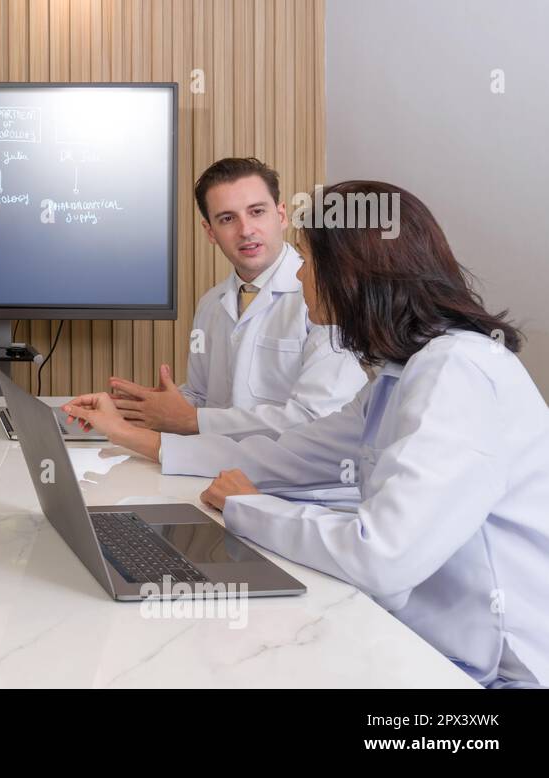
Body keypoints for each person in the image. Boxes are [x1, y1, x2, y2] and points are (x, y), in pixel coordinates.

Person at [62, 181, 549, 687]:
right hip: (433, 641)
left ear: (352, 277)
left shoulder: (457, 372)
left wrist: (249, 506)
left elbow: (380, 557)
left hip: (498, 674)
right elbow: (286, 454)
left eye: (311, 260)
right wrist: (131, 436)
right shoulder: (400, 374)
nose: (299, 272)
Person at [109, 157, 365, 439]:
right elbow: (202, 398)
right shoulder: (210, 304)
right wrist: (143, 407)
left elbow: (315, 417)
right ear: (210, 232)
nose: (245, 230)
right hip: (221, 469)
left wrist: (192, 419)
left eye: (256, 212)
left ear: (281, 216)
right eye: (227, 219)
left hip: (300, 478)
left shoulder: (327, 300)